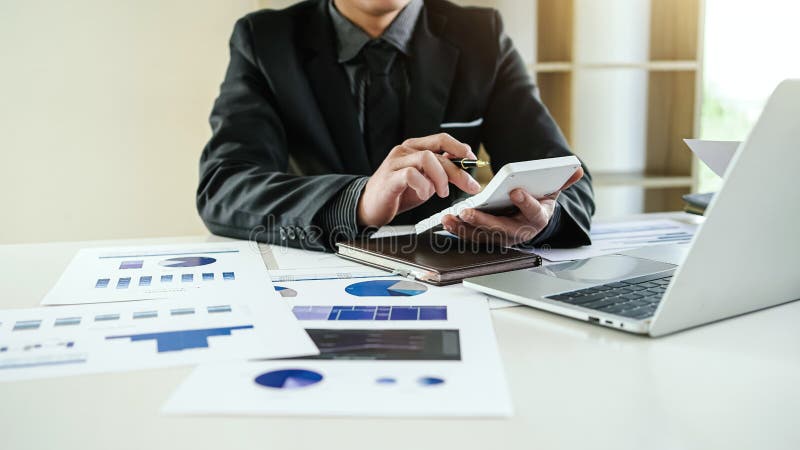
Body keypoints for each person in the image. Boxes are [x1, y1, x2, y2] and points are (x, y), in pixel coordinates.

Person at [197, 0, 594, 251]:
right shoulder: (265, 40)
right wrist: (357, 201)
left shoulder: (481, 36)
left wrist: (542, 222)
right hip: (320, 269)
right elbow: (224, 188)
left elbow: (565, 175)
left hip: (459, 271)